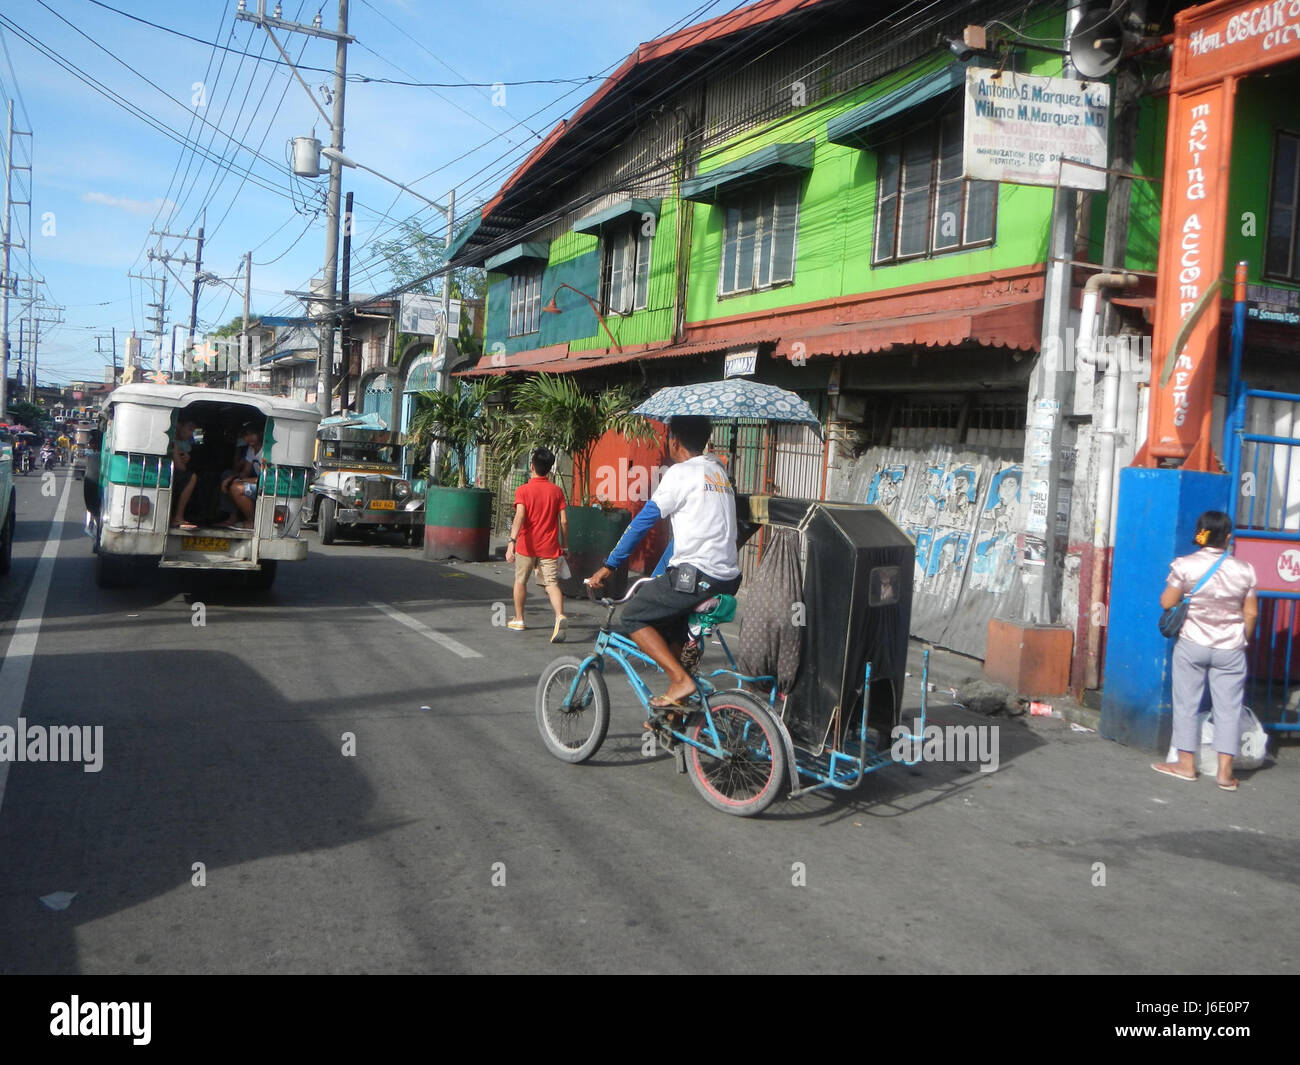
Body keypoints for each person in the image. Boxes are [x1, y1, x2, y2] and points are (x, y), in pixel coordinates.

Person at [588, 415, 740, 717]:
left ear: (675, 441)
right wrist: (659, 576)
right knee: (671, 630)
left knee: (632, 616)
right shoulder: (719, 472)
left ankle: (680, 681)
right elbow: (690, 538)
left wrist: (609, 565)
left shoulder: (680, 474)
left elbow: (642, 523)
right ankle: (674, 713)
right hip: (727, 578)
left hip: (696, 577)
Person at [1153, 510, 1258, 791]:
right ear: (1227, 537)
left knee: (1187, 704)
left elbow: (1166, 603)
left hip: (1192, 644)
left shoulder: (1185, 565)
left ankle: (1186, 765)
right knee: (1228, 709)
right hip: (1231, 648)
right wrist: (1240, 640)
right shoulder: (1245, 570)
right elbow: (1251, 614)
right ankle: (1225, 774)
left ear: (1200, 534)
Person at [505, 446, 569, 642]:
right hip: (549, 547)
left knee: (520, 581)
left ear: (532, 466)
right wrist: (564, 546)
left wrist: (511, 543)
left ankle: (519, 619)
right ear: (549, 469)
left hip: (526, 546)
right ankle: (559, 615)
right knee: (551, 583)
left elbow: (520, 516)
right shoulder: (556, 491)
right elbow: (564, 521)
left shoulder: (523, 490)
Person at [216, 423, 263, 529]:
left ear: (259, 434)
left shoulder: (266, 450)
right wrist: (230, 479)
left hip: (266, 486)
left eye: (252, 434)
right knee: (231, 482)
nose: (249, 438)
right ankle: (233, 517)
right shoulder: (251, 450)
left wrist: (240, 481)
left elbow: (265, 479)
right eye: (246, 435)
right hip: (257, 484)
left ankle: (253, 521)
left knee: (237, 488)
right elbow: (245, 471)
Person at [170, 417, 199, 531]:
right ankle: (178, 517)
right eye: (189, 429)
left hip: (174, 473)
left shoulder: (185, 444)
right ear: (178, 426)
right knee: (192, 477)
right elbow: (180, 466)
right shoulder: (171, 441)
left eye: (193, 431)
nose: (190, 434)